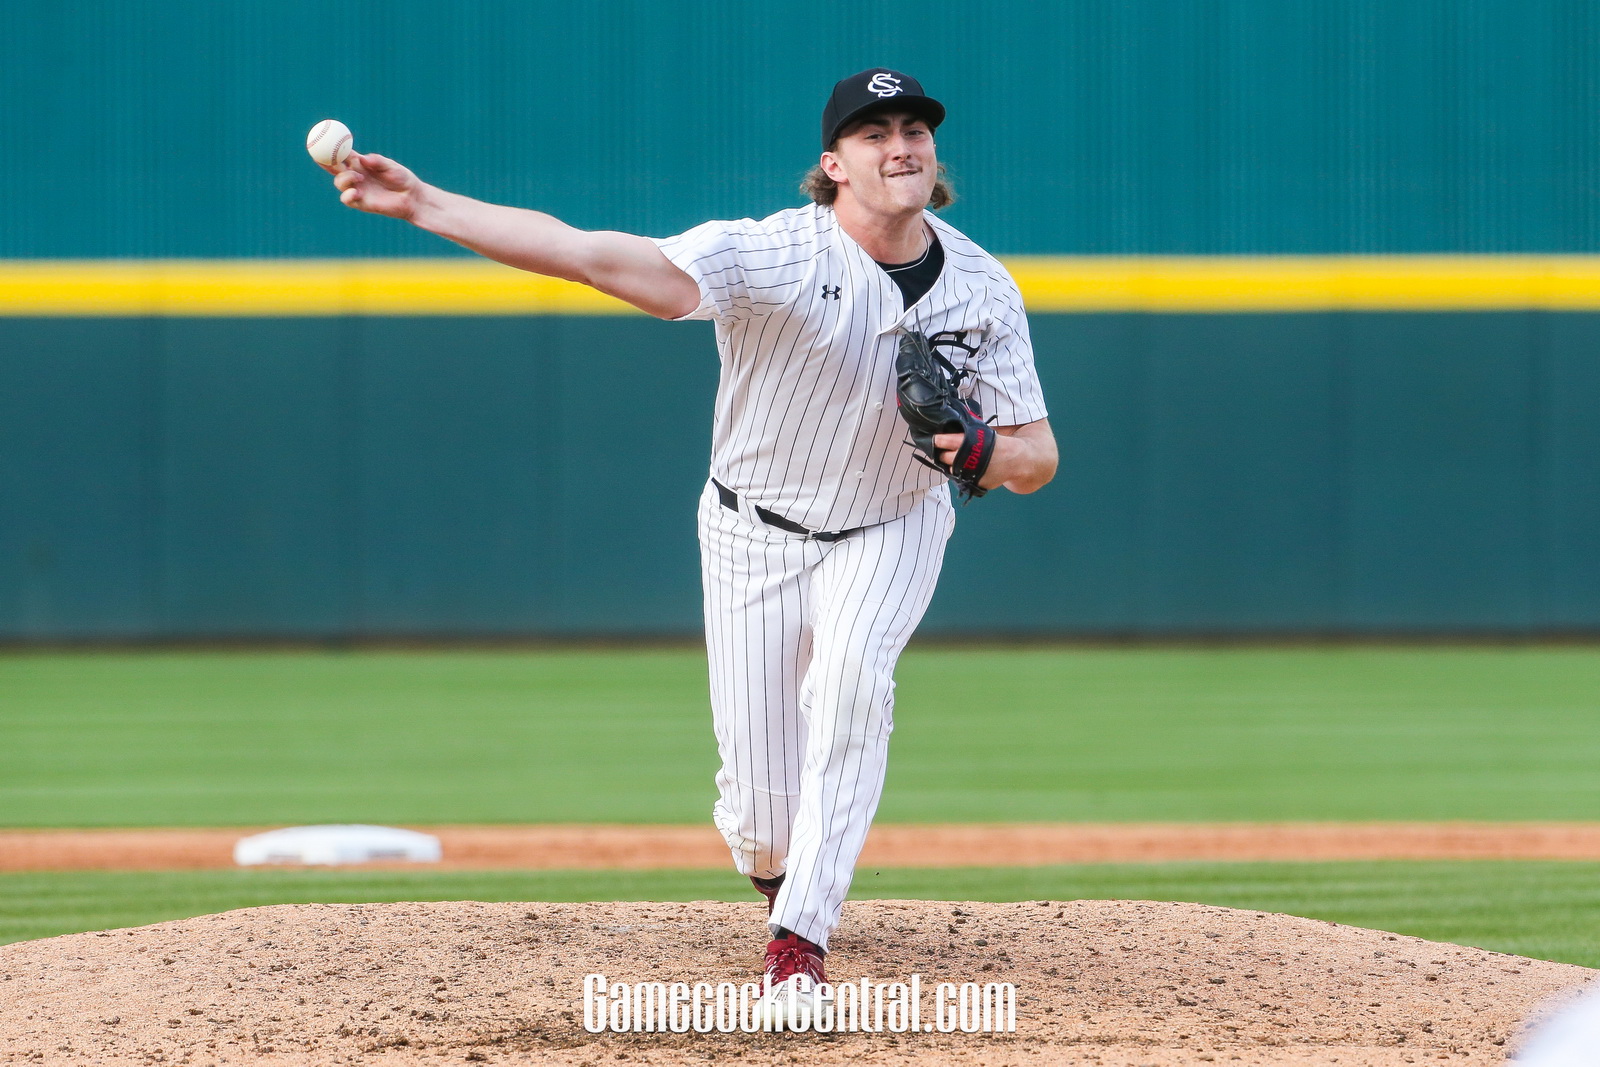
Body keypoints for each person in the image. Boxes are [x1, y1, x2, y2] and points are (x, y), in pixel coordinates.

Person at [324, 67, 1056, 1023]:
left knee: (850, 689)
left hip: (891, 524)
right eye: (874, 132)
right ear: (833, 165)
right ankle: (780, 872)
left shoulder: (983, 290)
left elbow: (1038, 457)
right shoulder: (767, 256)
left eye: (914, 126)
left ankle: (801, 935)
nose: (901, 143)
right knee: (757, 812)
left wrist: (986, 448)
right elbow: (588, 254)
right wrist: (424, 203)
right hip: (750, 531)